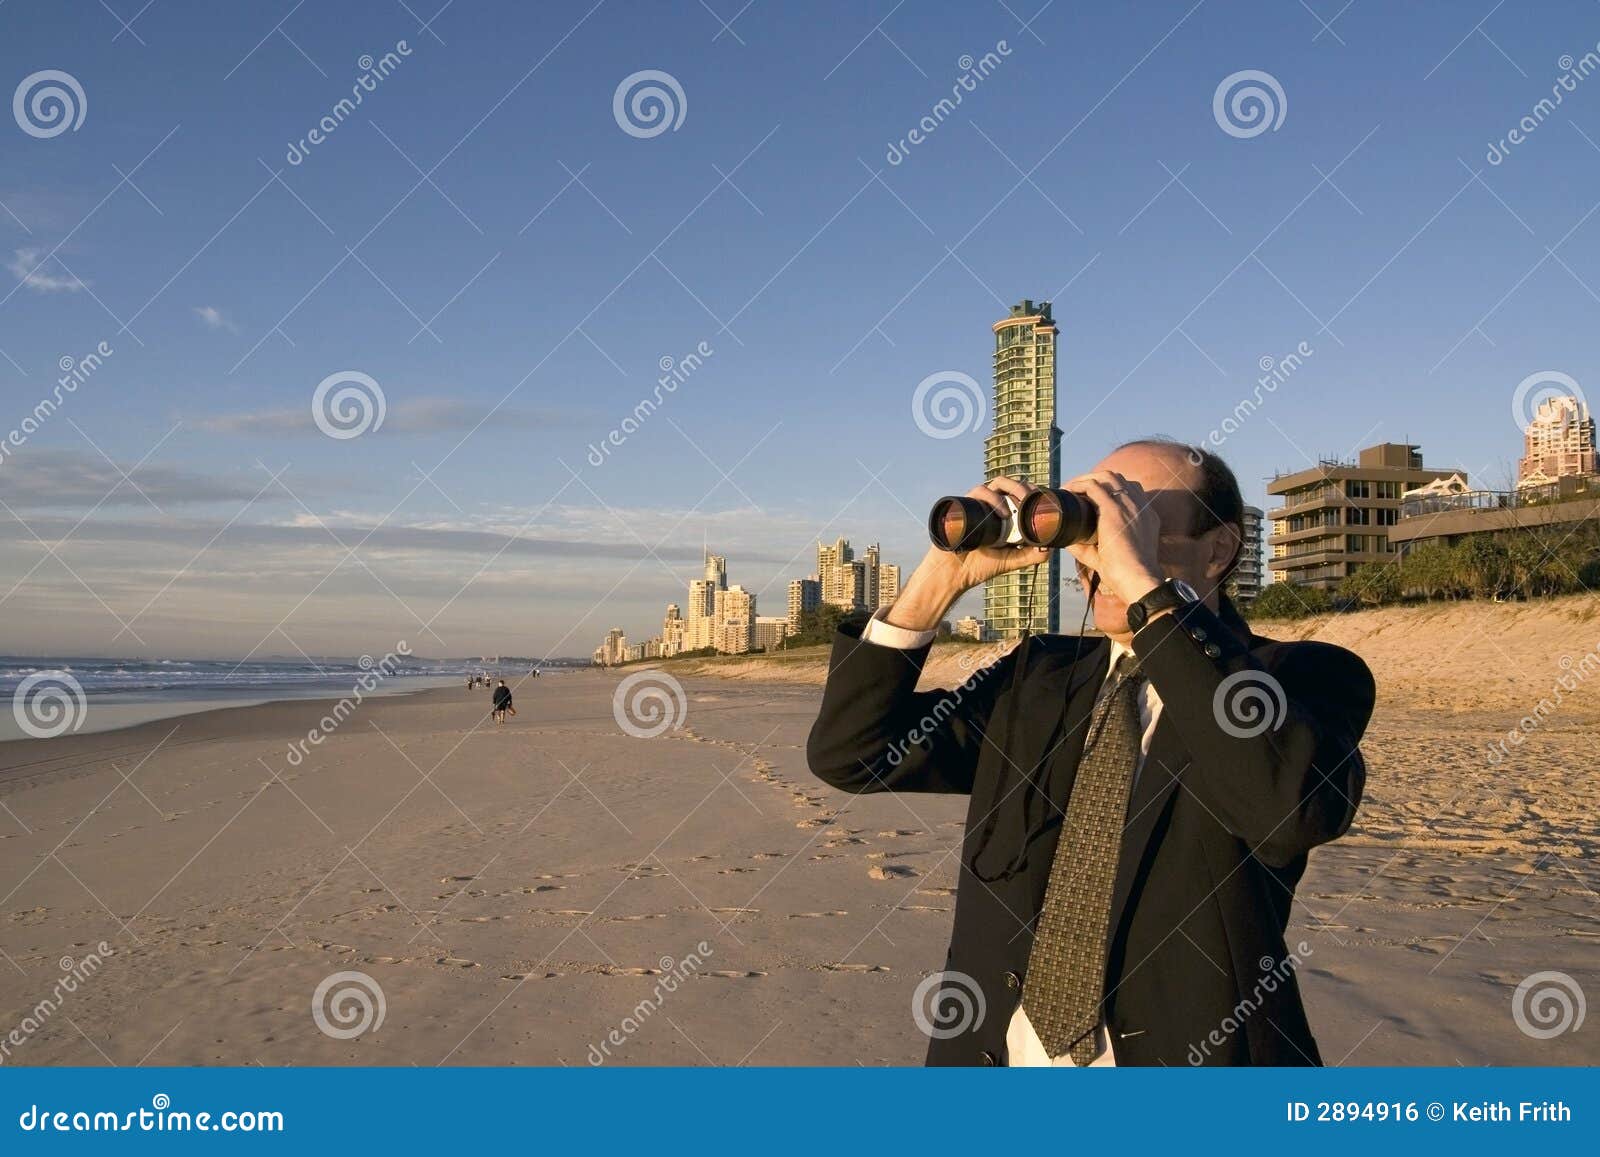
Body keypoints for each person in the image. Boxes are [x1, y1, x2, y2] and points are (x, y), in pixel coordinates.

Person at [807, 439, 1374, 1066]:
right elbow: (853, 753)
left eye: (1137, 522)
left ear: (1218, 550)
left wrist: (1142, 585)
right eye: (1094, 520)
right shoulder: (1037, 676)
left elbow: (1286, 809)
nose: (1102, 547)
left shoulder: (1298, 679)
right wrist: (940, 580)